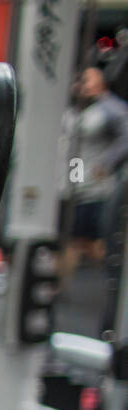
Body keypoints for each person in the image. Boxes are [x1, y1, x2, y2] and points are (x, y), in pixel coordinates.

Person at [60, 66, 128, 280]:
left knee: (91, 243)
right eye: (82, 81)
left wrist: (108, 164)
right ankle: (57, 290)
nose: (84, 85)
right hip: (74, 181)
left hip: (95, 189)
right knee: (71, 240)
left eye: (89, 81)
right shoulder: (75, 109)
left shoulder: (108, 109)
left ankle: (116, 281)